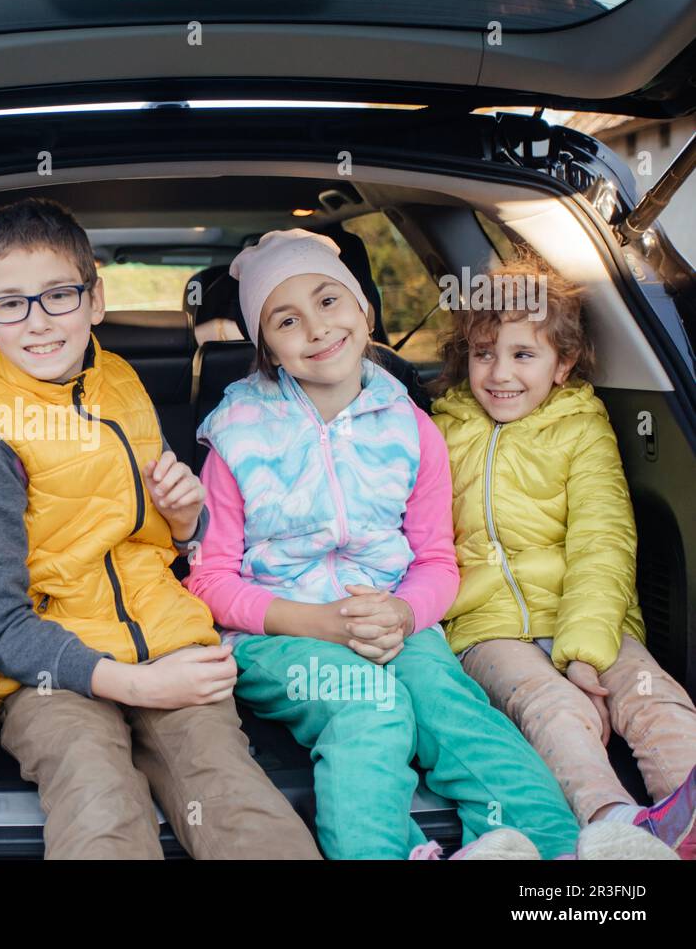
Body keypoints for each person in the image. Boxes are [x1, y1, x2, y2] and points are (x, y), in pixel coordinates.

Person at [184, 228, 660, 859]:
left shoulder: (413, 427)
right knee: (372, 708)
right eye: (286, 319)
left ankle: (560, 856)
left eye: (330, 302)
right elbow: (210, 581)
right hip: (281, 634)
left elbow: (437, 562)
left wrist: (404, 612)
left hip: (397, 624)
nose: (317, 329)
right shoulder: (238, 433)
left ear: (365, 311)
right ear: (267, 346)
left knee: (462, 717)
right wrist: (320, 624)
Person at [0, 197, 320, 859]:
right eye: (10, 303)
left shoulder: (120, 379)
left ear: (95, 299)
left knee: (237, 799)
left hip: (168, 635)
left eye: (58, 295)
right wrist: (137, 685)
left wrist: (183, 518)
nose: (37, 321)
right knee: (100, 804)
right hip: (48, 672)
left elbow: (159, 545)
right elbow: (0, 623)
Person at [431, 251, 696, 858]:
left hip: (590, 616)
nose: (500, 373)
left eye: (524, 354)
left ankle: (687, 814)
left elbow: (602, 544)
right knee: (552, 710)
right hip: (486, 628)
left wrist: (581, 651)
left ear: (563, 363)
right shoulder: (442, 428)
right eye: (483, 353)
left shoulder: (582, 427)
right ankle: (617, 827)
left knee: (650, 693)